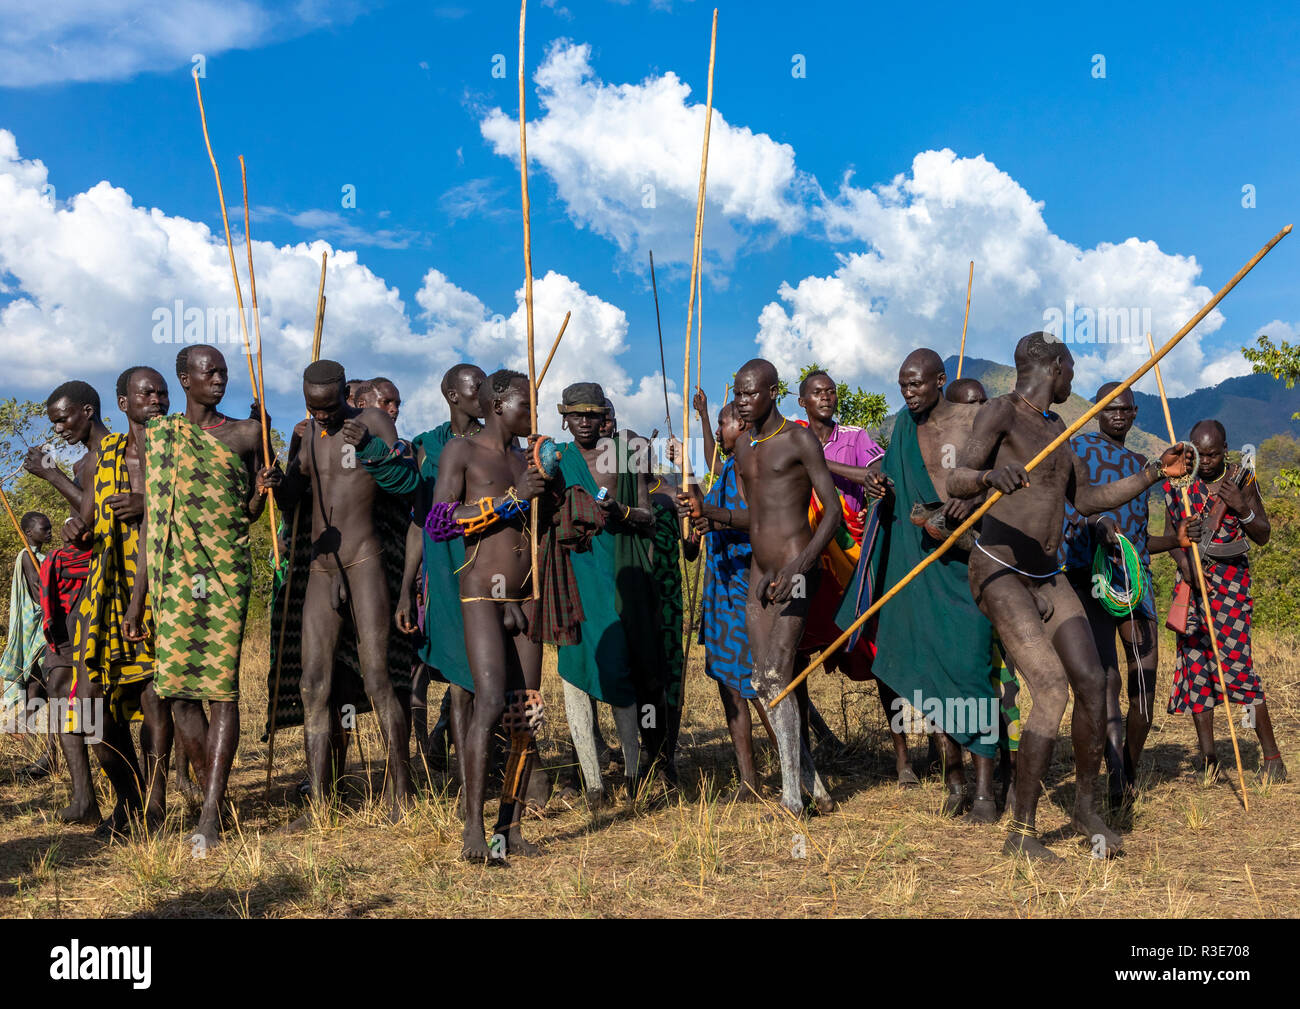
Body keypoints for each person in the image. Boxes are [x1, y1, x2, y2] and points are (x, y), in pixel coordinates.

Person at [947, 332, 1191, 860]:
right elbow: (957, 479)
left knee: (1095, 682)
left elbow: (1085, 500)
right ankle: (1024, 832)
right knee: (1051, 688)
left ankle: (1084, 808)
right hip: (999, 571)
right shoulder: (1000, 413)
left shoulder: (1059, 428)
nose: (1075, 379)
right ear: (1054, 367)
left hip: (1048, 574)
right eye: (1072, 368)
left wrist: (1153, 472)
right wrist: (991, 475)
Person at [124, 350, 274, 849]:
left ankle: (210, 810)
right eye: (208, 373)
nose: (218, 380)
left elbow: (249, 511)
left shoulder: (249, 433)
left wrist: (263, 490)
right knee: (181, 692)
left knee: (221, 689)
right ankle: (215, 796)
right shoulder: (159, 436)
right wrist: (136, 599)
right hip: (172, 578)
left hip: (225, 573)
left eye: (223, 372)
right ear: (184, 379)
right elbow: (150, 523)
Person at [851, 350, 1000, 818]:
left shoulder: (975, 420)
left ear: (939, 380)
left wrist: (971, 504)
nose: (909, 392)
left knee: (972, 673)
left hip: (966, 562)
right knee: (930, 673)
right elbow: (896, 487)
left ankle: (985, 790)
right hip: (917, 563)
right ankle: (953, 781)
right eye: (902, 385)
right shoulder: (901, 427)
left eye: (916, 384)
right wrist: (880, 489)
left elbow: (1002, 484)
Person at [268, 359, 413, 826]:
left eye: (330, 408)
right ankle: (320, 803)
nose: (324, 417)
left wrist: (371, 448)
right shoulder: (305, 434)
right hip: (320, 567)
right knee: (313, 685)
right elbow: (295, 497)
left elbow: (406, 482)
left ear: (346, 396)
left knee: (377, 679)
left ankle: (401, 793)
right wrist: (275, 484)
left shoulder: (372, 422)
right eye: (315, 409)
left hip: (365, 560)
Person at [425, 369, 550, 859]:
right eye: (525, 406)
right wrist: (511, 499)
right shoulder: (463, 451)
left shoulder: (528, 457)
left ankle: (510, 829)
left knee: (527, 715)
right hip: (481, 595)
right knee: (491, 704)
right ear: (499, 405)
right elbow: (439, 523)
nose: (531, 416)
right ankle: (473, 827)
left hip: (527, 596)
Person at [1059, 383, 1192, 803]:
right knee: (1106, 681)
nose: (1118, 414)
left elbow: (1137, 539)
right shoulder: (1076, 450)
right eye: (1110, 408)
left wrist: (1175, 540)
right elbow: (1070, 514)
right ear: (1098, 411)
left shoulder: (1140, 464)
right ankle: (1116, 774)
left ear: (1135, 414)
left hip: (1137, 583)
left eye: (1126, 409)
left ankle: (1129, 764)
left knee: (1144, 688)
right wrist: (1097, 528)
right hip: (1091, 578)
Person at [727, 359, 842, 817]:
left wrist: (801, 566)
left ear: (773, 392)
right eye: (738, 393)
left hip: (796, 569)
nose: (742, 401)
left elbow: (830, 512)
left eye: (751, 393)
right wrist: (707, 516)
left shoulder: (798, 439)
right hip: (758, 573)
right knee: (764, 682)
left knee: (775, 675)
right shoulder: (741, 448)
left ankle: (792, 796)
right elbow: (752, 518)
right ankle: (814, 787)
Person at [554, 382, 663, 805]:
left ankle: (635, 773)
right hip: (571, 576)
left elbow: (647, 515)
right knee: (573, 673)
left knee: (618, 671)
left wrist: (618, 512)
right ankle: (594, 783)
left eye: (592, 414)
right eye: (576, 415)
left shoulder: (624, 450)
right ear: (565, 418)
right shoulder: (556, 459)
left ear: (605, 417)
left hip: (615, 572)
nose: (584, 422)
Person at [79, 366, 176, 836]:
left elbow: (207, 510)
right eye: (146, 392)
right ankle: (128, 798)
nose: (156, 399)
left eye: (162, 391)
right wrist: (75, 533)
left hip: (165, 587)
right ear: (124, 404)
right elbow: (87, 519)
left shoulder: (183, 448)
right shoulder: (108, 453)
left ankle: (155, 804)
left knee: (155, 698)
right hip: (110, 590)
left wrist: (147, 505)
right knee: (95, 706)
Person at [795, 370, 908, 773]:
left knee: (877, 651)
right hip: (805, 554)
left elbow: (880, 478)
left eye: (830, 392)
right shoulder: (791, 433)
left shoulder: (857, 437)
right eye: (816, 393)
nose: (825, 398)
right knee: (795, 652)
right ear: (802, 402)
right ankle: (804, 758)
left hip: (853, 554)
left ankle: (903, 758)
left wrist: (821, 463)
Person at [1163, 419, 1285, 782]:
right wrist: (1185, 565)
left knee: (1237, 667)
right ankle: (1209, 759)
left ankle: (1272, 757)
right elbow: (1172, 535)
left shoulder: (1241, 479)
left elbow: (1262, 534)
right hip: (1191, 584)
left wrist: (1241, 508)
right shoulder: (1179, 481)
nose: (1208, 461)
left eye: (1214, 454)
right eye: (1201, 454)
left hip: (1230, 587)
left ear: (1226, 450)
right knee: (1196, 668)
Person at [395, 364, 485, 773]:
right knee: (446, 657)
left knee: (483, 660)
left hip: (485, 562)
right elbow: (419, 521)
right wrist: (404, 592)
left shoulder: (495, 441)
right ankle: (443, 749)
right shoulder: (426, 447)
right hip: (440, 567)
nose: (484, 393)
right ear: (452, 395)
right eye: (476, 387)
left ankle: (474, 748)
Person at [679, 401, 764, 798]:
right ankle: (749, 780)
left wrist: (711, 514)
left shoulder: (756, 465)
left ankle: (800, 776)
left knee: (759, 686)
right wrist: (688, 474)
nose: (717, 432)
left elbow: (759, 519)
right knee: (731, 687)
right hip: (721, 587)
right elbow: (709, 492)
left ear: (742, 424)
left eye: (722, 424)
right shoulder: (730, 466)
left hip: (746, 585)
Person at [35, 518, 96, 820]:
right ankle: (84, 799)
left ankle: (143, 800)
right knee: (60, 687)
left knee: (102, 702)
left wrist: (52, 477)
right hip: (67, 623)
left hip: (104, 590)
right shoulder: (53, 560)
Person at [1, 512, 51, 775]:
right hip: (38, 628)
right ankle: (38, 751)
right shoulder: (28, 557)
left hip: (40, 628)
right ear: (29, 532)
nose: (50, 532)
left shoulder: (40, 558)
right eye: (44, 528)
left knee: (39, 685)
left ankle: (42, 751)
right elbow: (38, 590)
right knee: (38, 685)